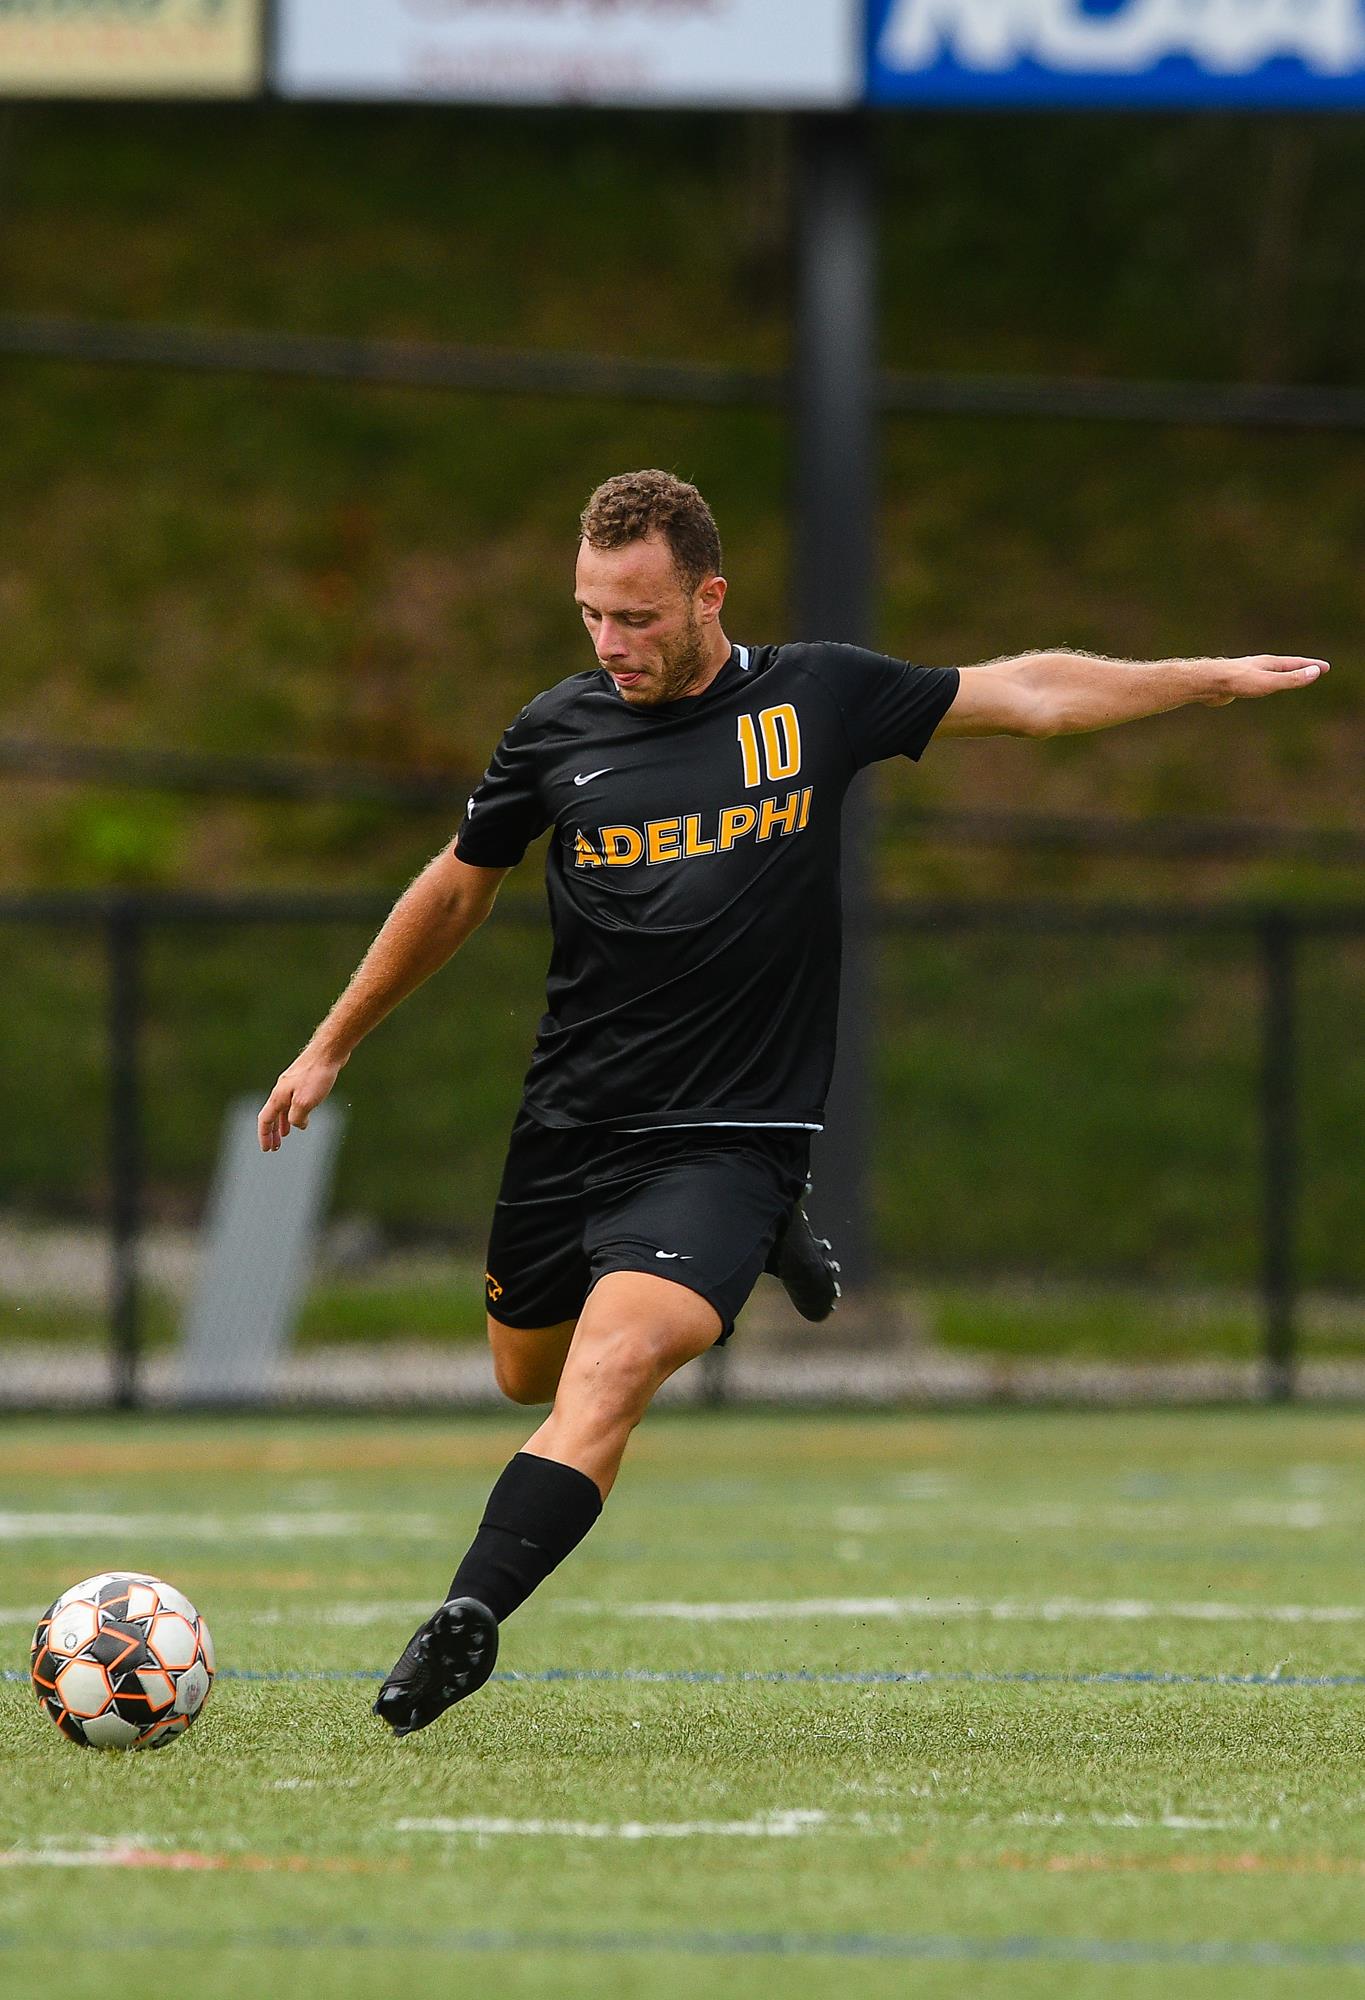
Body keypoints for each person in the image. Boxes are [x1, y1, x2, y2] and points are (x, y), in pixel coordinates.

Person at [257, 468, 1327, 1738]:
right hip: (572, 1123)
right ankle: (765, 1242)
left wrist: (1199, 677)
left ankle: (466, 1616)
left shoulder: (817, 696)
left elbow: (1029, 690)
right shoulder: (553, 731)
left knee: (608, 1373)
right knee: (523, 1370)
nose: (612, 644)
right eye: (591, 614)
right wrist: (330, 1045)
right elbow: (455, 887)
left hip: (731, 1135)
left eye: (639, 617)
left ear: (709, 596)